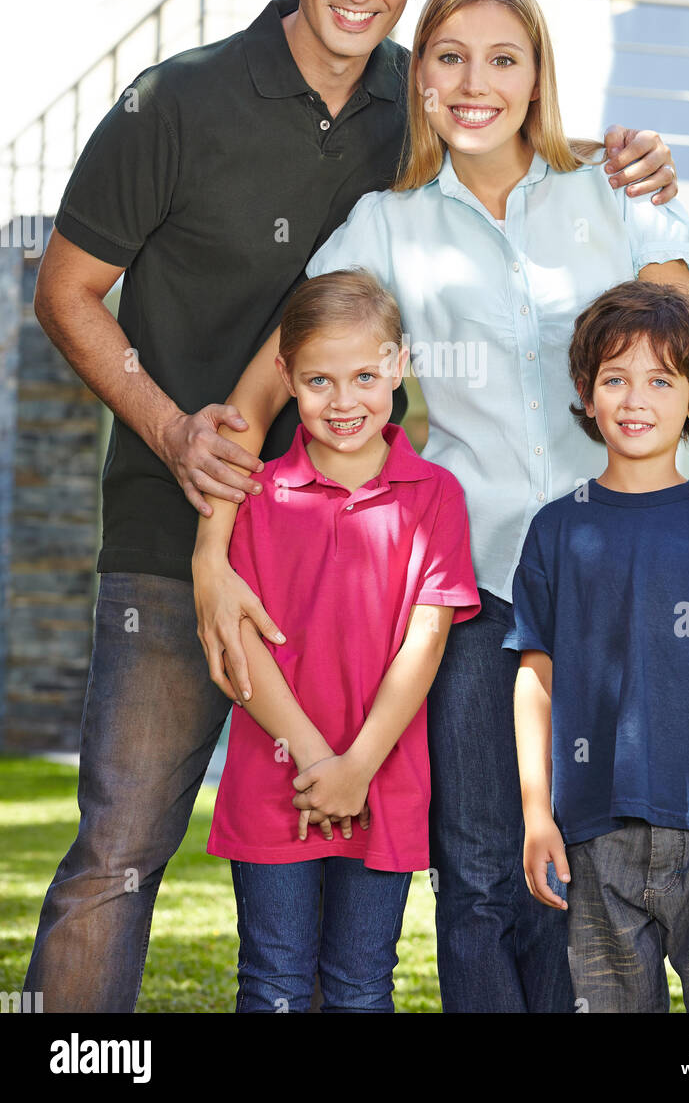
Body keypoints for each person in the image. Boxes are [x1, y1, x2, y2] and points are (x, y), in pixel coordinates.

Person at [25, 0, 678, 1013]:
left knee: (400, 863)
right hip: (189, 527)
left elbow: (522, 149)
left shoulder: (417, 104)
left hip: (375, 557)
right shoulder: (177, 101)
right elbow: (68, 293)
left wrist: (629, 160)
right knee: (122, 849)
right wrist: (186, 452)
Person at [193, 0, 689, 1014]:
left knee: (590, 862)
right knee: (474, 870)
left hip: (627, 582)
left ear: (535, 75)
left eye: (502, 57)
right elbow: (276, 376)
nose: (475, 81)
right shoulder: (385, 223)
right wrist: (209, 550)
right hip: (476, 587)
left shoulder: (614, 193)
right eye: (449, 56)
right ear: (418, 78)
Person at [206, 269, 479, 1012]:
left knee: (362, 988)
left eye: (364, 374)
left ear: (399, 364)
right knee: (274, 985)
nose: (344, 400)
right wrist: (318, 762)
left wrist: (357, 766)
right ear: (286, 378)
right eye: (319, 380)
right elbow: (242, 651)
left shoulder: (436, 498)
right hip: (275, 781)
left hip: (382, 782)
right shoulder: (256, 499)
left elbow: (426, 643)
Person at [509, 279, 689, 1013]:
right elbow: (536, 675)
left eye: (660, 380)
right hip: (595, 835)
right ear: (586, 392)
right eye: (616, 378)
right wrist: (539, 814)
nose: (636, 399)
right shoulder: (556, 531)